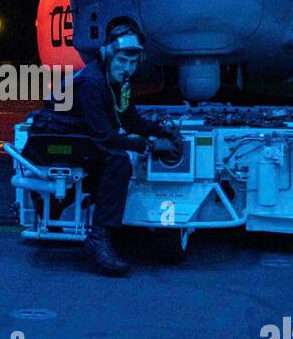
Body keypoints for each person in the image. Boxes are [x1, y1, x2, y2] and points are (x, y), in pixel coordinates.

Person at [30, 23, 180, 276]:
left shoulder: (119, 82)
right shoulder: (92, 83)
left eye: (133, 63)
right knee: (117, 161)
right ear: (109, 56)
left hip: (77, 136)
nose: (128, 68)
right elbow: (106, 138)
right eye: (123, 61)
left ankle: (88, 219)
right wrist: (150, 145)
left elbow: (130, 120)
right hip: (57, 139)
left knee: (113, 154)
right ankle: (99, 238)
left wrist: (161, 131)